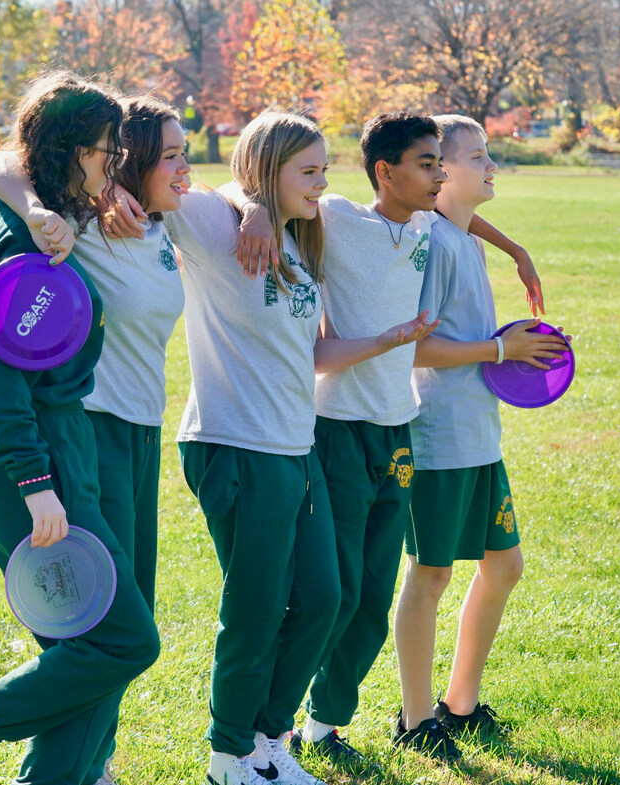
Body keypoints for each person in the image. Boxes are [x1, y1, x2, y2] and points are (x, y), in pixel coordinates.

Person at [215, 112, 545, 774]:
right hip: (337, 430)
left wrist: (515, 250)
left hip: (399, 428)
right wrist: (251, 207)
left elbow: (458, 218)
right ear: (385, 172)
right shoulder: (338, 217)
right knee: (328, 596)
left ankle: (323, 725)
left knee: (367, 600)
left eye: (440, 164)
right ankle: (263, 736)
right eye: (428, 164)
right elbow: (262, 193)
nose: (441, 175)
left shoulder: (426, 226)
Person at [113, 108, 433, 785]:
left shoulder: (296, 242)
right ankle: (230, 753)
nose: (322, 184)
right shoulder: (218, 225)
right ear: (267, 170)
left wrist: (389, 339)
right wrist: (251, 204)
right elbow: (173, 192)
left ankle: (268, 737)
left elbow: (310, 349)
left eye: (324, 170)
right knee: (257, 607)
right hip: (234, 444)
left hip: (297, 444)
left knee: (326, 596)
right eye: (308, 171)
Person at [0, 71, 161, 785]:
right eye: (108, 152)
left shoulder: (15, 204)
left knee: (87, 641)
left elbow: (2, 163)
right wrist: (36, 482)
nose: (113, 167)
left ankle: (70, 770)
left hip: (48, 449)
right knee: (119, 637)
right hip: (27, 458)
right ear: (73, 148)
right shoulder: (29, 240)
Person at [0, 94, 192, 785]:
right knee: (109, 633)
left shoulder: (154, 224)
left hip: (137, 435)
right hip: (84, 435)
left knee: (121, 626)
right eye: (170, 153)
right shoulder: (68, 224)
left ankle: (89, 766)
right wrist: (41, 211)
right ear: (97, 155)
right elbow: (1, 163)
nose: (185, 165)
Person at [391, 115, 568, 762]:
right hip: (436, 436)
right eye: (478, 156)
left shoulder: (462, 236)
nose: (492, 166)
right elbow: (412, 348)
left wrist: (516, 249)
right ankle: (414, 718)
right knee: (430, 574)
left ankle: (459, 703)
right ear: (441, 172)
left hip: (479, 435)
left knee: (505, 565)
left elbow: (462, 224)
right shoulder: (431, 244)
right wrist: (499, 348)